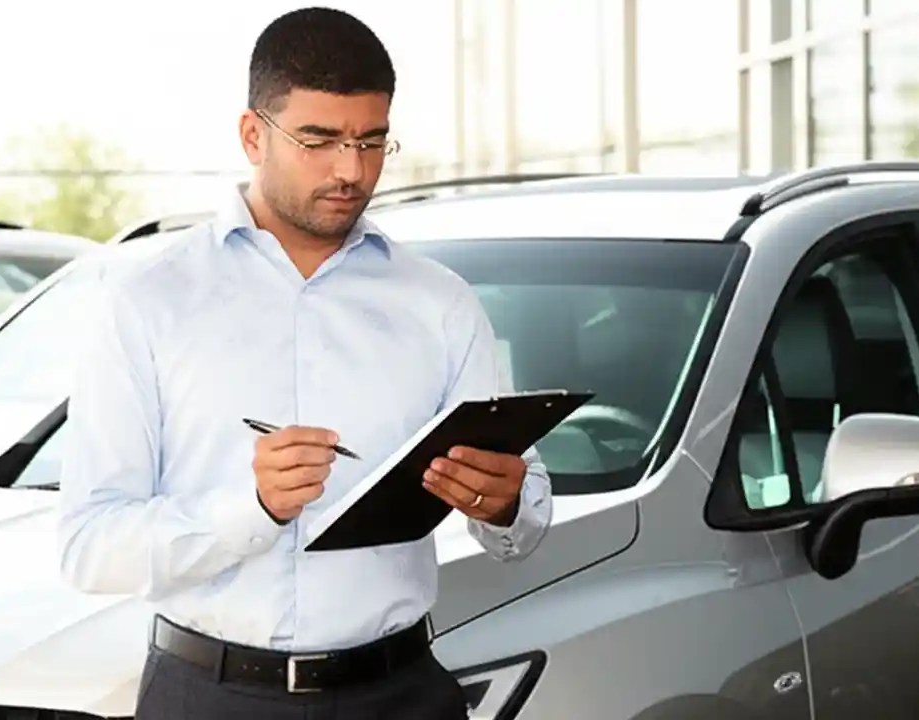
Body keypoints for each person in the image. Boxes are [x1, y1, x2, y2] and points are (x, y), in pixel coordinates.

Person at [55, 7, 552, 719]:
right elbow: (89, 547)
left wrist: (502, 500)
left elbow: (525, 520)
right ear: (252, 134)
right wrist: (249, 511)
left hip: (401, 696)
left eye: (372, 141)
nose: (351, 170)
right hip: (208, 698)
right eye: (319, 140)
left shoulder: (439, 303)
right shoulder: (148, 302)